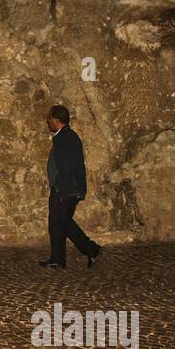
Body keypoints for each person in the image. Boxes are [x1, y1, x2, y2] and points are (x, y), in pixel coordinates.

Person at [39, 105, 101, 269]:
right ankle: (59, 258)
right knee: (59, 224)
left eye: (49, 119)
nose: (48, 122)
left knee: (61, 223)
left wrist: (59, 187)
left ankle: (90, 249)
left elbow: (67, 167)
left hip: (65, 190)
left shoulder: (65, 138)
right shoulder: (65, 136)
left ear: (56, 121)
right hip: (65, 189)